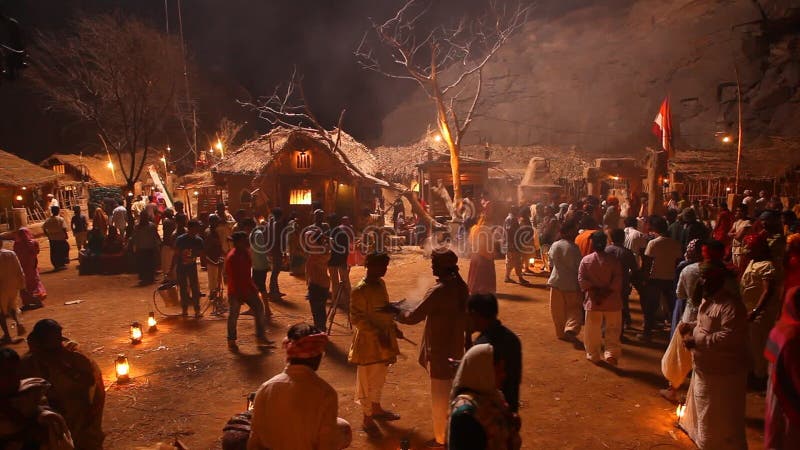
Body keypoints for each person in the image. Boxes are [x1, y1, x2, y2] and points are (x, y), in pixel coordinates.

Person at [394, 249, 469, 447]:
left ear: (443, 267)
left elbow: (413, 317)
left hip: (439, 350)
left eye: (435, 264)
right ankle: (451, 436)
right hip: (455, 349)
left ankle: (441, 440)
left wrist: (396, 313)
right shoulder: (460, 287)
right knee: (450, 395)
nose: (431, 266)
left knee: (439, 399)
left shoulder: (439, 290)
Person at [247, 323, 351, 450]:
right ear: (317, 356)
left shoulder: (266, 388)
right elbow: (325, 443)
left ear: (289, 354)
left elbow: (254, 437)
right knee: (343, 426)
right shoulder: (326, 393)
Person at [678, 262, 748, 450]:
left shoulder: (731, 307)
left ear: (719, 281)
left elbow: (729, 336)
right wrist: (690, 327)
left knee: (718, 416)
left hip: (723, 373)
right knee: (704, 411)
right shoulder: (708, 300)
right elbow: (704, 325)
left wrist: (697, 341)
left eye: (707, 279)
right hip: (705, 368)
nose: (702, 283)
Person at [19, 319, 105, 450]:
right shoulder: (28, 364)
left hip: (78, 414)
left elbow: (91, 383)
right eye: (49, 348)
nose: (55, 350)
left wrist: (66, 368)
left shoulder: (74, 357)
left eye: (57, 343)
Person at [347, 252, 401, 433]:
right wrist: (379, 333)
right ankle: (367, 417)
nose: (384, 270)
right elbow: (357, 319)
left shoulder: (380, 284)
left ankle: (376, 408)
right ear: (369, 266)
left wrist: (393, 327)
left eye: (385, 266)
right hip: (368, 344)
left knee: (379, 377)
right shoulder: (359, 290)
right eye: (381, 266)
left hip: (383, 340)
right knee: (366, 381)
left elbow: (384, 310)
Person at [448, 343, 521, 450]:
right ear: (483, 372)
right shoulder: (465, 416)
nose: (503, 375)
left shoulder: (494, 397)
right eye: (498, 371)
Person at [0, 348, 74, 450]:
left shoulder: (31, 393)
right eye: (6, 373)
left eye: (16, 372)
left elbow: (46, 420)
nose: (13, 378)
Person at [466, 294, 522, 414]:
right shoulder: (512, 338)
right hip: (510, 406)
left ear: (475, 314)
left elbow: (473, 380)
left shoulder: (482, 347)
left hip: (490, 413)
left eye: (469, 315)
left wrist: (467, 339)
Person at [740, 234, 781, 388]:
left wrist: (756, 310)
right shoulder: (752, 262)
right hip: (748, 309)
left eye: (750, 249)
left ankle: (760, 377)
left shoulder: (767, 266)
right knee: (750, 344)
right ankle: (753, 374)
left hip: (760, 313)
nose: (747, 252)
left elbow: (768, 291)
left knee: (758, 345)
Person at [578, 231, 623, 366]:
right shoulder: (614, 261)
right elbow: (618, 280)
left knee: (592, 330)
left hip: (594, 301)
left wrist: (596, 294)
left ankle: (593, 354)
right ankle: (611, 353)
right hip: (612, 301)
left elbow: (582, 279)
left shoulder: (586, 260)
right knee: (613, 329)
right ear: (605, 243)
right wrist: (605, 293)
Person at [764, 287, 800, 448]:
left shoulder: (778, 328)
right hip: (789, 398)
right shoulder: (794, 334)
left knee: (775, 435)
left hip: (775, 389)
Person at [225, 231, 270, 351]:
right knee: (233, 315)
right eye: (245, 240)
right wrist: (240, 294)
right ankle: (231, 339)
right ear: (238, 242)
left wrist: (253, 288)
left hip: (246, 288)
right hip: (236, 290)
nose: (247, 242)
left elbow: (246, 275)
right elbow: (233, 278)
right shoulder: (232, 257)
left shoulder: (245, 253)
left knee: (259, 309)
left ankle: (260, 336)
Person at [639, 216, 682, 341]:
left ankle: (647, 333)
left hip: (655, 278)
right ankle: (674, 335)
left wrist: (645, 278)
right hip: (670, 278)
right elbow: (678, 263)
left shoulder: (653, 243)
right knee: (672, 307)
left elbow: (647, 263)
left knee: (650, 307)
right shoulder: (675, 244)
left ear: (654, 228)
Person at [547, 220, 583, 344]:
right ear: (569, 232)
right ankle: (571, 329)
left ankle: (560, 333)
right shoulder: (574, 248)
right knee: (574, 309)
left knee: (557, 310)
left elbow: (550, 263)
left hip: (555, 281)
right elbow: (579, 267)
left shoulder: (555, 245)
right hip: (571, 283)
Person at [605, 228, 638, 331]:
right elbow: (635, 269)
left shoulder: (606, 250)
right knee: (622, 307)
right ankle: (620, 332)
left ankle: (605, 329)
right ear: (623, 238)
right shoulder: (627, 252)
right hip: (622, 284)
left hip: (607, 283)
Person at [173, 220, 205, 318]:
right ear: (190, 228)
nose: (198, 229)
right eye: (196, 227)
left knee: (195, 288)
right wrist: (172, 268)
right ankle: (184, 309)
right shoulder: (181, 239)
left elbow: (202, 253)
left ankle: (196, 309)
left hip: (192, 267)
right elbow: (176, 253)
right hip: (181, 267)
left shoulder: (198, 240)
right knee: (183, 288)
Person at [304, 226, 331, 331]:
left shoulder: (314, 255)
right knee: (321, 309)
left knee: (316, 310)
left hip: (316, 285)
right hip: (324, 284)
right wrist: (324, 237)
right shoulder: (325, 252)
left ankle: (319, 330)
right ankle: (322, 329)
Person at [14, 228, 46, 310]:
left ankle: (27, 303)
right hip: (31, 266)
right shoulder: (33, 242)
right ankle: (37, 301)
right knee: (34, 284)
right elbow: (37, 251)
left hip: (21, 268)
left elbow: (15, 255)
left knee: (23, 285)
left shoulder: (17, 244)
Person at [0, 247, 26, 343]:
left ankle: (7, 335)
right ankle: (19, 324)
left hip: (1, 286)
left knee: (1, 312)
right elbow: (19, 269)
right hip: (13, 285)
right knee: (13, 305)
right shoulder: (11, 253)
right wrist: (22, 285)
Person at [328, 215, 353, 308]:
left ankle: (337, 300)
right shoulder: (341, 233)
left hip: (333, 261)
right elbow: (346, 250)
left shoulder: (329, 233)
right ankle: (349, 300)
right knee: (345, 281)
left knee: (335, 282)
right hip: (340, 261)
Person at [249, 219, 272, 317]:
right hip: (257, 264)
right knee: (256, 287)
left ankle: (266, 310)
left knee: (260, 287)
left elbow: (260, 249)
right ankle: (257, 308)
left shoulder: (257, 234)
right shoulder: (255, 233)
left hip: (260, 265)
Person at [467, 221, 497, 295]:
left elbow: (471, 241)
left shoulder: (474, 228)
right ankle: (484, 289)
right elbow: (488, 242)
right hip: (484, 255)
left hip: (477, 254)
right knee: (483, 273)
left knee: (475, 273)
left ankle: (474, 287)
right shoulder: (483, 229)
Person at [130, 216, 161, 285]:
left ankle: (148, 278)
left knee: (148, 264)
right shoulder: (139, 226)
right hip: (144, 248)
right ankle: (147, 278)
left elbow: (134, 237)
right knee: (146, 264)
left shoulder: (141, 226)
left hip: (147, 248)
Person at [503, 209, 529, 285]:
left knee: (511, 261)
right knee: (515, 261)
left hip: (511, 244)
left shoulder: (509, 218)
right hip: (513, 244)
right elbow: (510, 231)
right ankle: (518, 278)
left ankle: (508, 277)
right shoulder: (512, 218)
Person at [205, 214, 226, 306]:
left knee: (217, 276)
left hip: (217, 256)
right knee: (212, 276)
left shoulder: (215, 231)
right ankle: (213, 293)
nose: (217, 223)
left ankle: (216, 292)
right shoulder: (209, 232)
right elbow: (208, 246)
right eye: (216, 221)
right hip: (211, 257)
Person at [266, 208, 287, 300]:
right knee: (276, 271)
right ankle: (272, 291)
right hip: (277, 249)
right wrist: (283, 251)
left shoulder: (270, 223)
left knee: (275, 270)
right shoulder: (278, 224)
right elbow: (280, 238)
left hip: (272, 248)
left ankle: (275, 290)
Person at [730, 205, 752, 270]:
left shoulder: (747, 222)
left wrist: (734, 234)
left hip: (742, 249)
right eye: (737, 211)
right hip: (734, 248)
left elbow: (738, 237)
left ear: (744, 212)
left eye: (739, 211)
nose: (737, 212)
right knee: (735, 268)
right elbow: (728, 233)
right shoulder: (736, 222)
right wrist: (737, 233)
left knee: (741, 269)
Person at [161, 209, 177, 281]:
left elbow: (166, 234)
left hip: (168, 244)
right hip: (172, 243)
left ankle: (169, 277)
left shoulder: (166, 221)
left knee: (167, 262)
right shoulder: (174, 220)